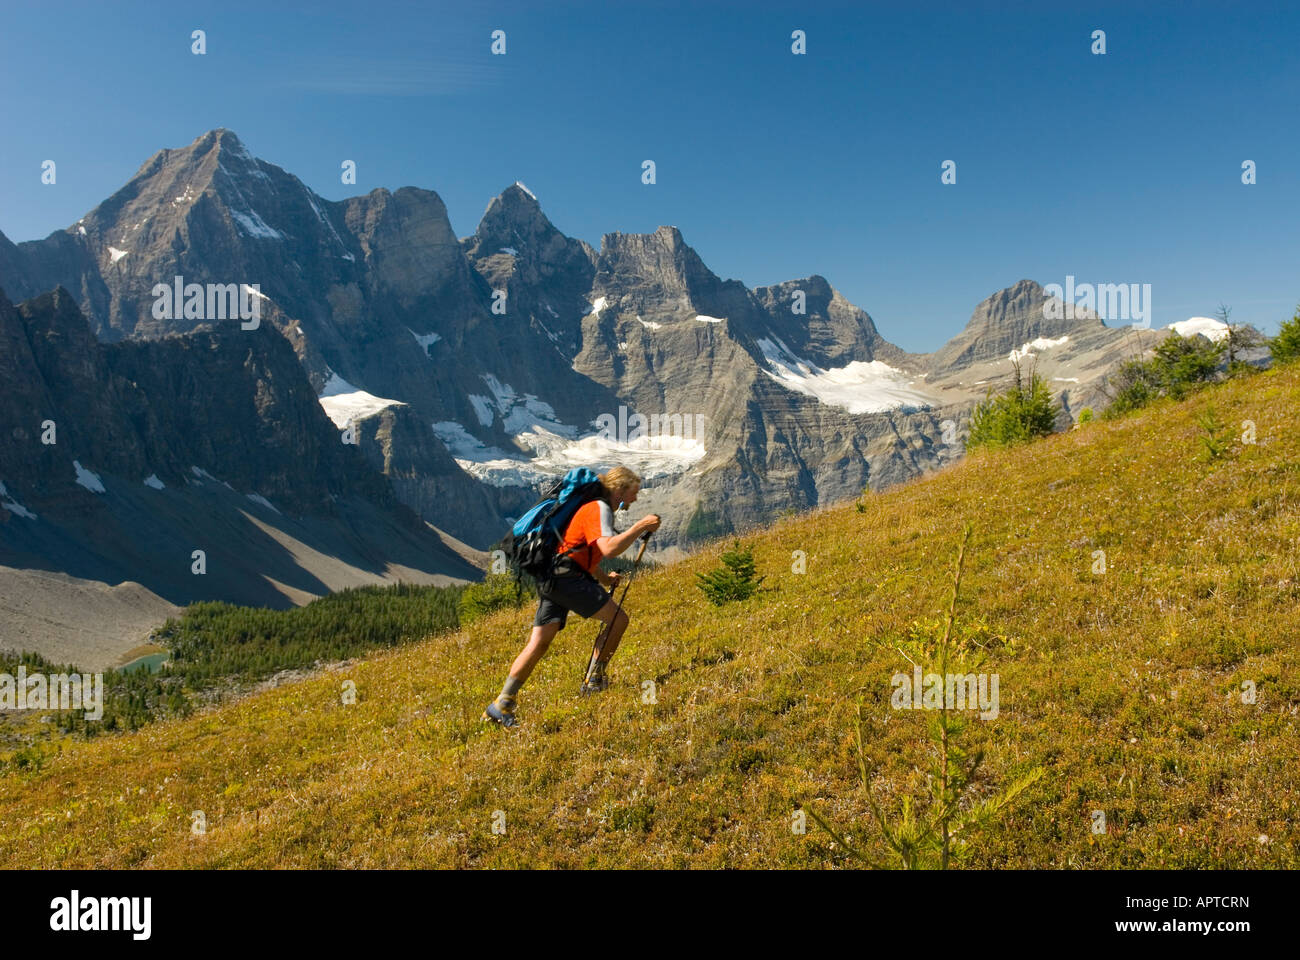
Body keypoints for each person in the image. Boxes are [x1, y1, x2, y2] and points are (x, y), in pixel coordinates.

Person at [483, 466, 660, 728]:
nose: (634, 499)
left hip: (553, 577)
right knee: (618, 620)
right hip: (567, 580)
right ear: (620, 490)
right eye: (633, 493)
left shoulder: (591, 507)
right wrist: (641, 526)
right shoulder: (598, 508)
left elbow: (576, 550)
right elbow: (609, 548)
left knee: (539, 643)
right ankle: (594, 681)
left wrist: (603, 579)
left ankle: (501, 704)